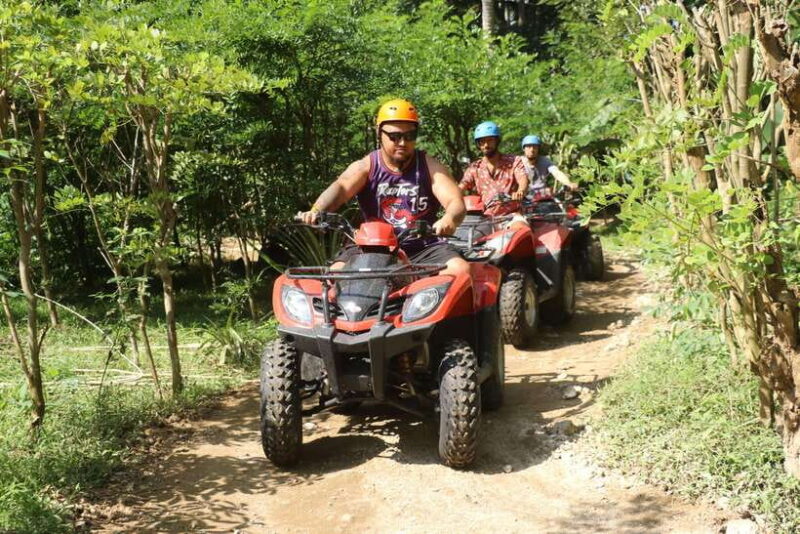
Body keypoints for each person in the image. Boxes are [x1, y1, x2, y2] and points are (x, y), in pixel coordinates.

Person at [297, 99, 469, 276]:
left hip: (423, 248)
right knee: (333, 275)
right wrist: (316, 210)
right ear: (379, 134)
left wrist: (450, 219)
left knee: (460, 270)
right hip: (371, 247)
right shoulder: (367, 166)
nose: (402, 142)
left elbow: (455, 201)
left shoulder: (430, 166)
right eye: (394, 136)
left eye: (410, 136)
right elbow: (341, 188)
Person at [459, 121, 529, 229]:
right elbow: (461, 186)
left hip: (511, 215)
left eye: (490, 140)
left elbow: (523, 179)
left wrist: (520, 191)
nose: (486, 145)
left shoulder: (514, 161)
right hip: (486, 218)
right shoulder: (474, 167)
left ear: (497, 141)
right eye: (482, 142)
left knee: (521, 230)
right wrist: (451, 198)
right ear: (478, 144)